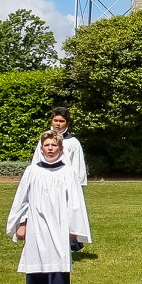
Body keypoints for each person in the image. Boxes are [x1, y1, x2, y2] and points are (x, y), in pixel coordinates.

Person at [6, 131, 91, 284]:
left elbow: (75, 203)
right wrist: (22, 224)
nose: (50, 148)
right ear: (41, 148)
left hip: (59, 225)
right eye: (47, 145)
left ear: (60, 148)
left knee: (57, 263)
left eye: (54, 145)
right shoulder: (32, 171)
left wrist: (74, 230)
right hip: (37, 224)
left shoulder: (68, 172)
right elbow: (22, 200)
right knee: (37, 262)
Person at [44, 108, 90, 252]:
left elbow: (78, 169)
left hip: (65, 186)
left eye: (61, 121)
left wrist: (77, 189)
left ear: (67, 123)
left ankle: (70, 243)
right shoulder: (45, 139)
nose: (58, 124)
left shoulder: (73, 143)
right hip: (46, 184)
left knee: (65, 217)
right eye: (55, 120)